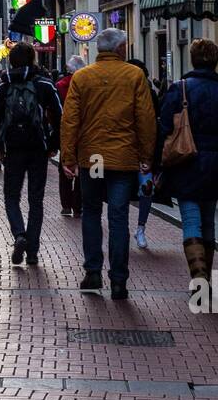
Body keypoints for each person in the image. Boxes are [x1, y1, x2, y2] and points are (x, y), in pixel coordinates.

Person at [60, 29, 156, 301]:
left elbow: (70, 120)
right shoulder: (134, 76)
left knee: (91, 212)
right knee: (118, 217)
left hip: (94, 159)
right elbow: (146, 119)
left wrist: (68, 157)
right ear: (121, 48)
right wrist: (147, 156)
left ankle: (92, 271)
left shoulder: (82, 77)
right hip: (123, 158)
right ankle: (118, 280)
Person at [156, 38, 218, 291]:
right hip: (217, 167)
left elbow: (163, 129)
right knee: (208, 221)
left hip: (185, 163)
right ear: (216, 63)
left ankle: (198, 278)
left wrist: (156, 167)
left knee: (191, 220)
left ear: (193, 59)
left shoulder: (179, 89)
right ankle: (205, 276)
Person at [0, 41, 62, 268]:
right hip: (38, 148)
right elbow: (60, 116)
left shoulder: (3, 84)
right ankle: (32, 251)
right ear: (33, 59)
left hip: (13, 148)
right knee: (35, 200)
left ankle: (19, 234)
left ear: (11, 60)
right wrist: (53, 144)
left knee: (11, 196)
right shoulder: (44, 84)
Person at [127, 58, 161, 249]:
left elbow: (155, 125)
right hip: (125, 150)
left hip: (143, 152)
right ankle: (121, 227)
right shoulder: (121, 92)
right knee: (121, 190)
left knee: (146, 188)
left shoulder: (151, 95)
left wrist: (151, 156)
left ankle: (140, 227)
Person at [55, 56, 86, 217]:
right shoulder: (89, 83)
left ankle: (66, 204)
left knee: (65, 167)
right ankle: (79, 204)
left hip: (66, 132)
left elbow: (56, 111)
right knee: (89, 169)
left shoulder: (60, 85)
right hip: (87, 135)